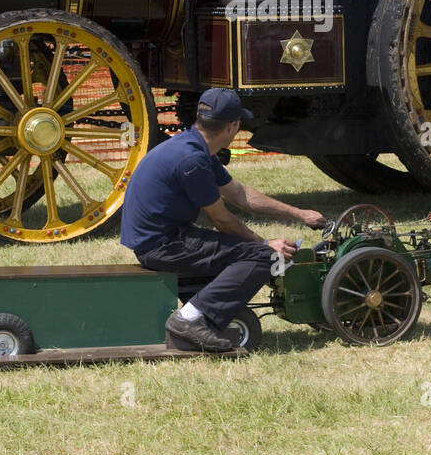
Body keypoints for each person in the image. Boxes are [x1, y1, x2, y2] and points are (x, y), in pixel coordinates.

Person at [121, 88, 326, 352]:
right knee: (263, 257)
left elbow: (241, 195)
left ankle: (199, 307)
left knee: (246, 251)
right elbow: (222, 220)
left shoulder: (194, 146)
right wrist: (265, 244)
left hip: (164, 239)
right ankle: (189, 319)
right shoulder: (193, 160)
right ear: (233, 125)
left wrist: (299, 214)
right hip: (163, 246)